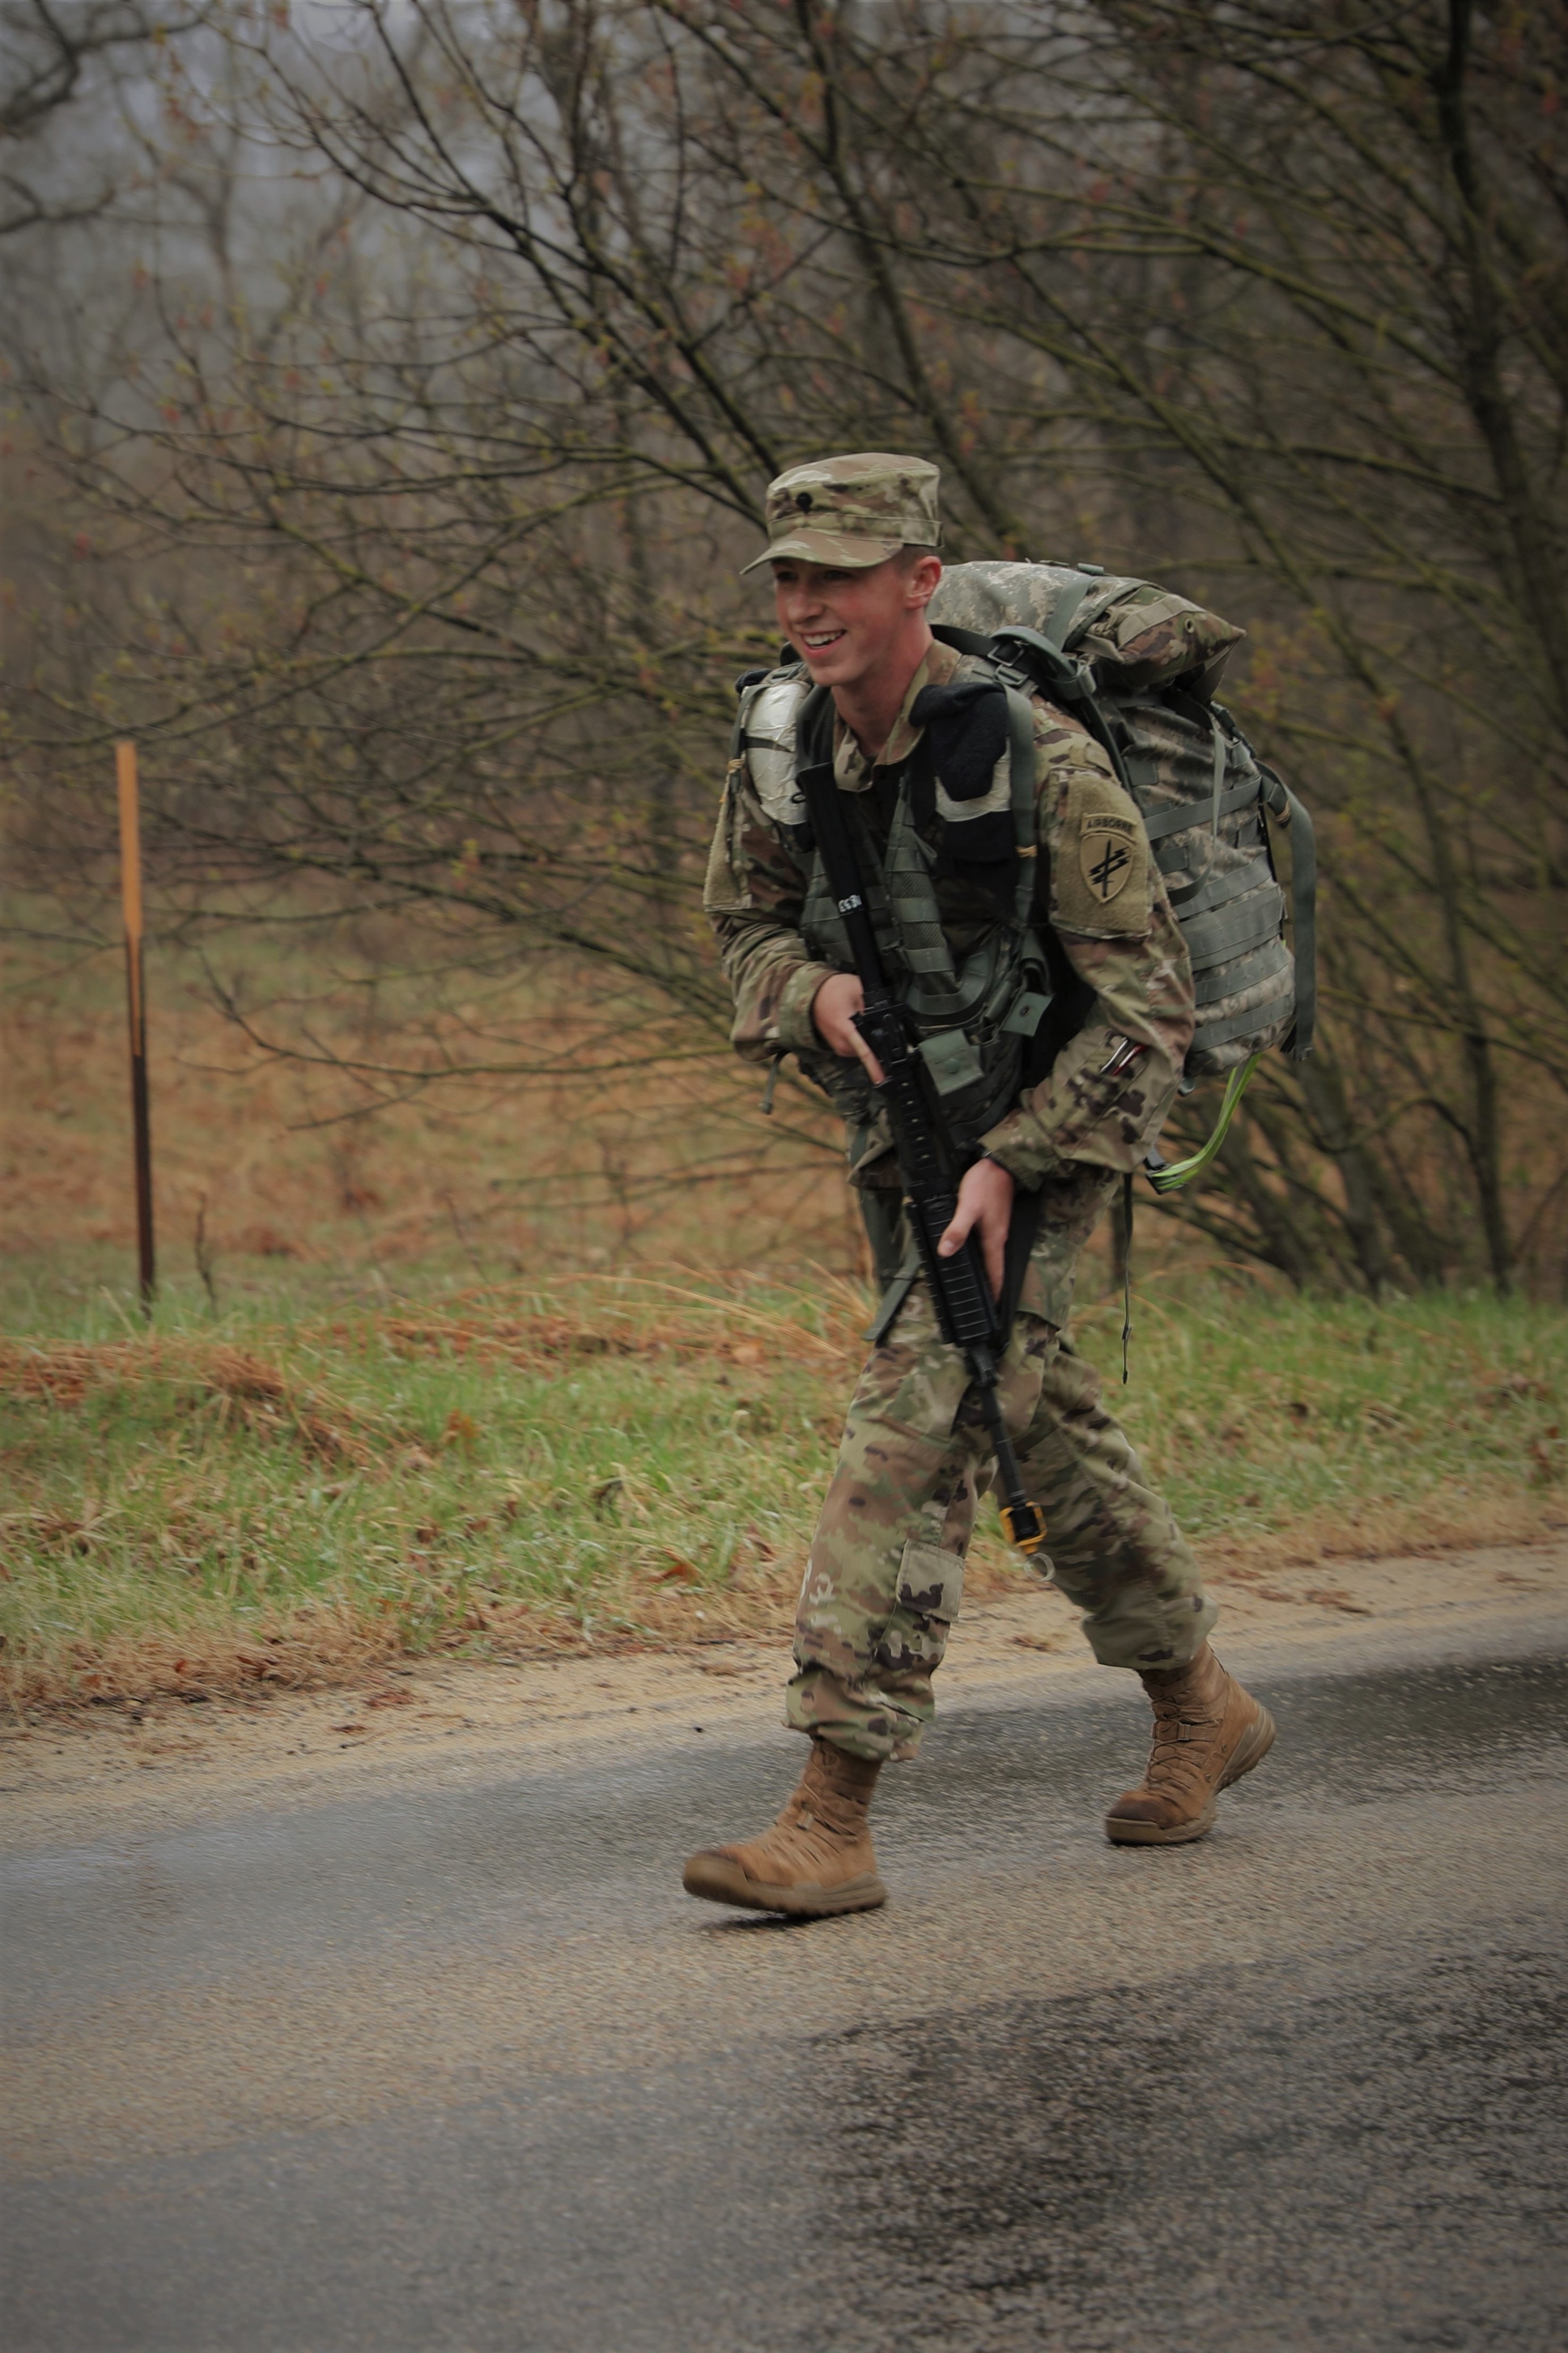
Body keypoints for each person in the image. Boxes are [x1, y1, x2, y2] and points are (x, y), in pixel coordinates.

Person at [684, 452, 1274, 1918]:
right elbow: (742, 937)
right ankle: (1199, 1697)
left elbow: (1151, 1016)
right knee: (1029, 1404)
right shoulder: (784, 751)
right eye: (791, 578)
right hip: (902, 1132)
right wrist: (812, 998)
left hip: (1057, 1120)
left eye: (840, 574)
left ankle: (833, 1808)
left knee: (920, 1397)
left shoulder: (1040, 764)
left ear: (920, 583)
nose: (809, 604)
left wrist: (1017, 1165)